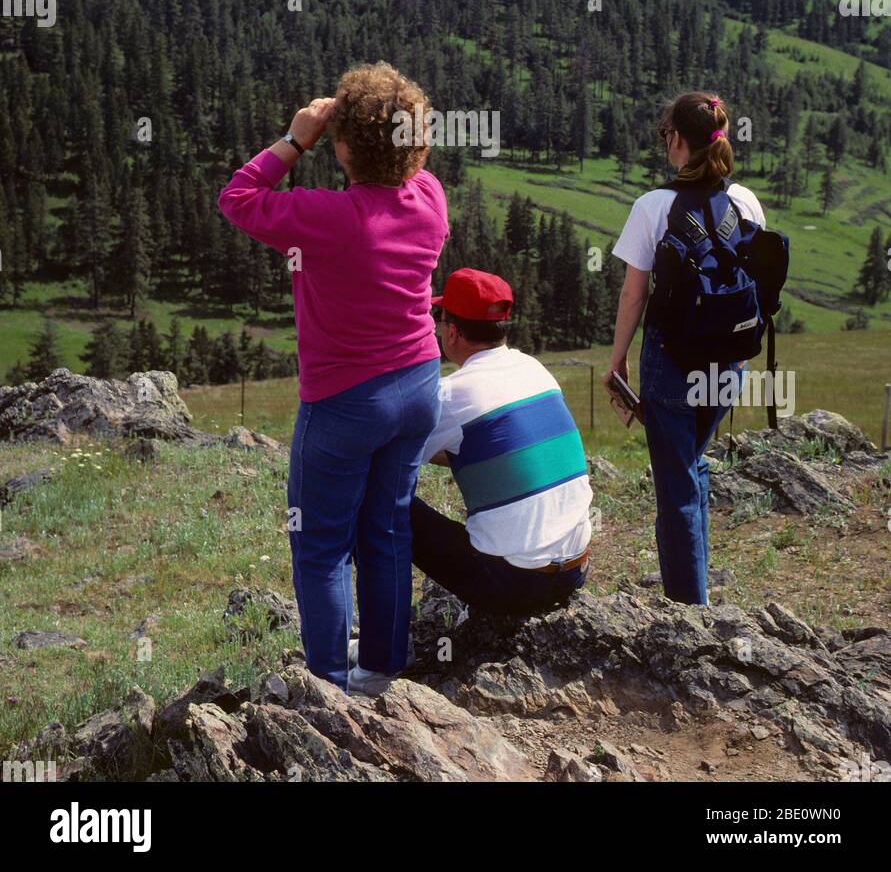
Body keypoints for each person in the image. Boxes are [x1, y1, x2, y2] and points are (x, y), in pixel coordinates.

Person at [217, 62, 448, 694]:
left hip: (347, 402)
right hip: (419, 385)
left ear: (343, 148)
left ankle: (327, 689)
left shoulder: (327, 217)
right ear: (417, 143)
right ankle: (382, 670)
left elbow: (236, 198)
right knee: (389, 527)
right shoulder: (429, 197)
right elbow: (405, 164)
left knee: (320, 546)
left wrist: (297, 139)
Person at [604, 91, 766, 606]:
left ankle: (688, 615)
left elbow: (635, 293)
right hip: (729, 361)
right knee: (693, 464)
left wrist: (616, 362)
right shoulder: (746, 202)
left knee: (675, 488)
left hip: (670, 363)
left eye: (663, 134)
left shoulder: (653, 207)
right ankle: (697, 591)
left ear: (676, 140)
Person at [411, 267, 592, 616]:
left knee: (378, 506)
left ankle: (384, 646)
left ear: (451, 332)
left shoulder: (452, 394)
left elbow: (396, 454)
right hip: (575, 570)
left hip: (512, 584)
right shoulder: (535, 370)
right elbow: (498, 448)